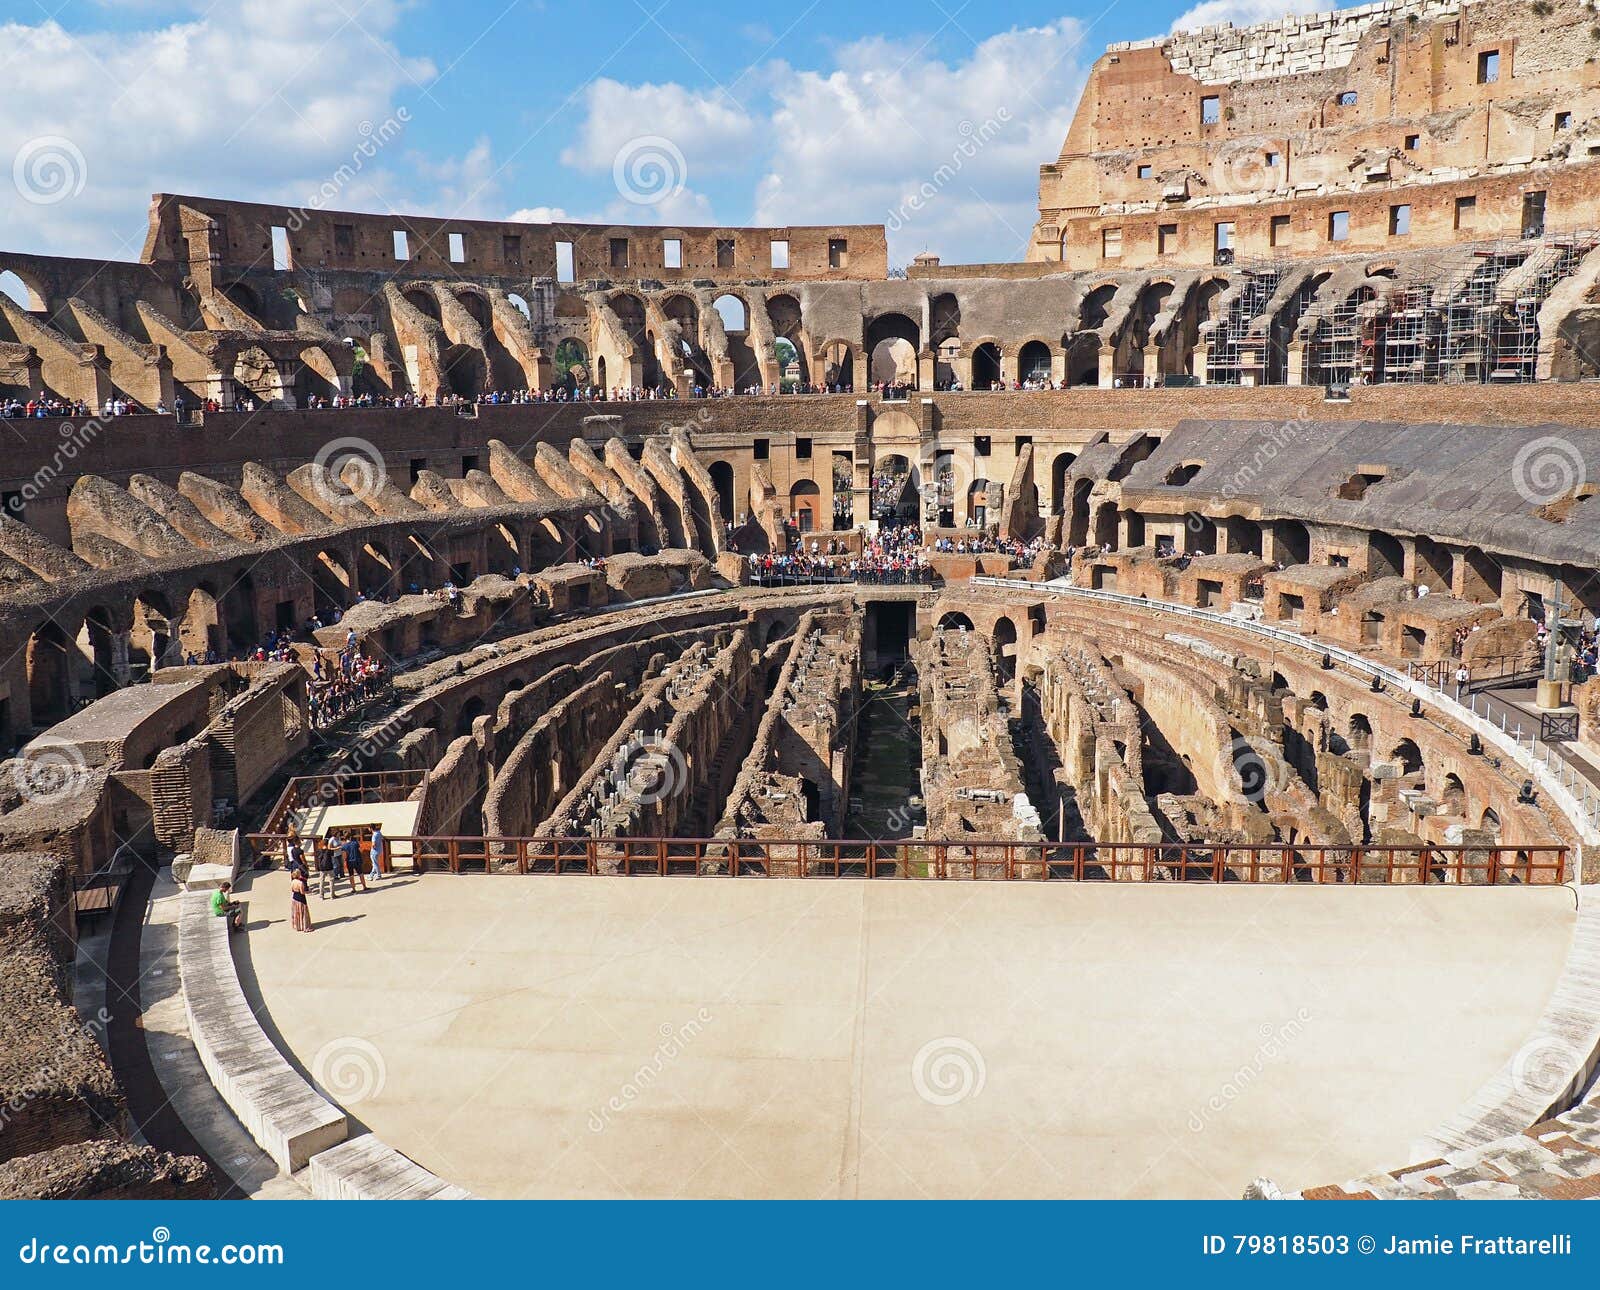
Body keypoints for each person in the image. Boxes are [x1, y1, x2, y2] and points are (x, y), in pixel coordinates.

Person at [315, 832, 339, 899]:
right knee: (331, 881)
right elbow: (333, 857)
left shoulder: (319, 851)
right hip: (329, 867)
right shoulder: (329, 851)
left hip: (322, 868)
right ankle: (332, 895)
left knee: (321, 882)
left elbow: (318, 858)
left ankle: (321, 895)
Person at [290, 865, 311, 932]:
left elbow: (292, 890)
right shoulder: (300, 883)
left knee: (296, 913)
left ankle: (297, 926)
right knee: (303, 913)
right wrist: (308, 892)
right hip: (301, 898)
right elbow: (302, 892)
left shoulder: (292, 882)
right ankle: (305, 926)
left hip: (295, 898)